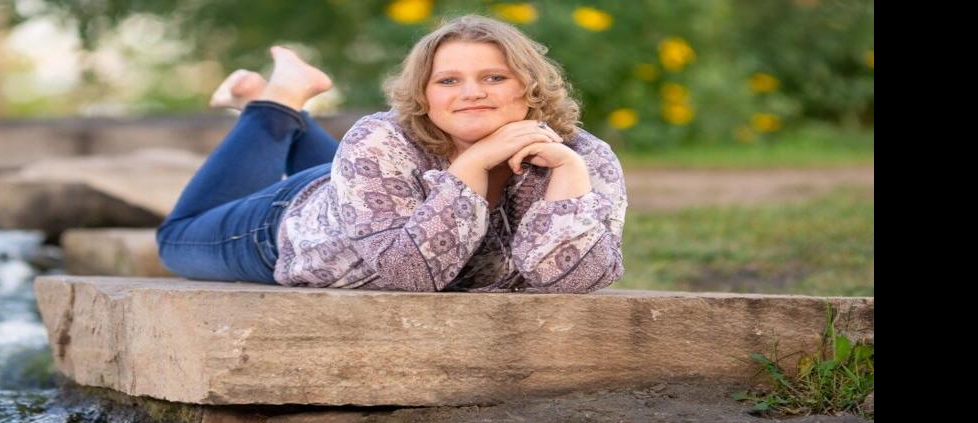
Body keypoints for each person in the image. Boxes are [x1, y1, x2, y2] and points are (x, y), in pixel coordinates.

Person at [157, 14, 626, 293]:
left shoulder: (583, 155)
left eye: (493, 78)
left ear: (529, 85)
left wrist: (568, 173)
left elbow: (575, 281)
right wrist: (470, 166)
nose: (472, 94)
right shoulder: (381, 138)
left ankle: (262, 101)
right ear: (425, 94)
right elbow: (409, 276)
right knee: (174, 241)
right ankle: (275, 104)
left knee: (357, 170)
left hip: (364, 191)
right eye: (448, 81)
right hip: (287, 226)